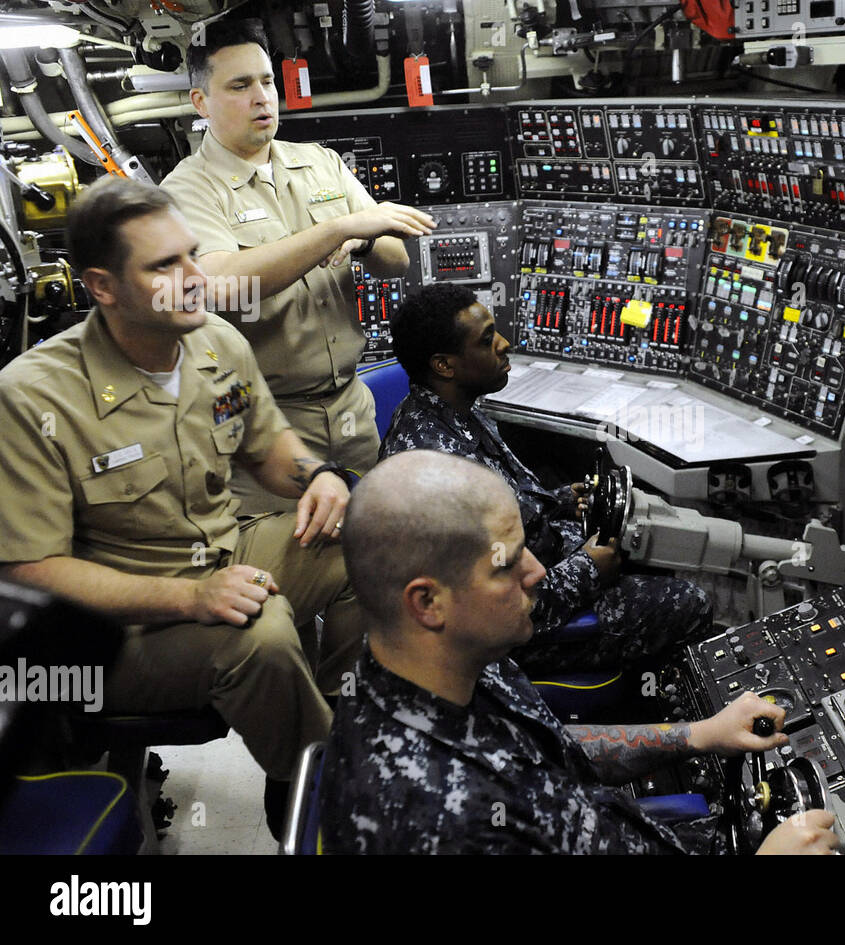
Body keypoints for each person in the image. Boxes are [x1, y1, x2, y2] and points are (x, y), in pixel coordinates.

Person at [0, 176, 364, 837]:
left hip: (222, 556)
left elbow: (269, 448)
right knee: (264, 635)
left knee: (369, 539)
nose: (195, 277)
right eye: (165, 265)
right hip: (113, 633)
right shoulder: (31, 397)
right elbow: (31, 572)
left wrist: (322, 477)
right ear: (103, 286)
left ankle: (339, 735)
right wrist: (192, 600)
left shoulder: (215, 342)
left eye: (192, 254)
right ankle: (329, 811)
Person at [322, 451, 838, 854]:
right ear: (428, 602)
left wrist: (696, 735)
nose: (537, 572)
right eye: (504, 566)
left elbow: (553, 747)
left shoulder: (444, 663)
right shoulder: (443, 820)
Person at [160, 19, 436, 513]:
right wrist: (337, 229)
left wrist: (365, 241)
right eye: (240, 86)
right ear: (201, 103)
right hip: (266, 423)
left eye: (267, 81)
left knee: (370, 549)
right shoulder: (186, 190)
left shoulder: (320, 162)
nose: (262, 97)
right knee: (294, 566)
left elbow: (395, 259)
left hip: (351, 406)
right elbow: (221, 285)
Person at [380, 282, 713, 674]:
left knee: (651, 546)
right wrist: (589, 569)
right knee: (691, 601)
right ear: (444, 365)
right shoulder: (441, 471)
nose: (504, 344)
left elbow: (504, 503)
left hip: (541, 557)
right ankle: (665, 717)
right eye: (487, 341)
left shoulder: (450, 408)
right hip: (510, 635)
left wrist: (558, 501)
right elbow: (497, 604)